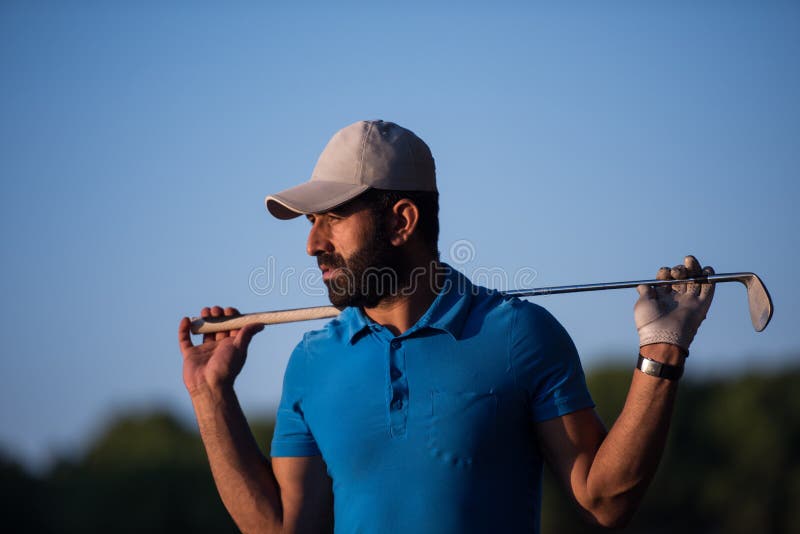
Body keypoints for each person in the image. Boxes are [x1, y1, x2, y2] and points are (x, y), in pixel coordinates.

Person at [178, 120, 715, 534]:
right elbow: (283, 528)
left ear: (401, 221)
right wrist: (210, 395)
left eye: (333, 218)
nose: (312, 244)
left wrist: (661, 351)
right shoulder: (312, 361)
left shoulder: (521, 335)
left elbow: (605, 502)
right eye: (312, 222)